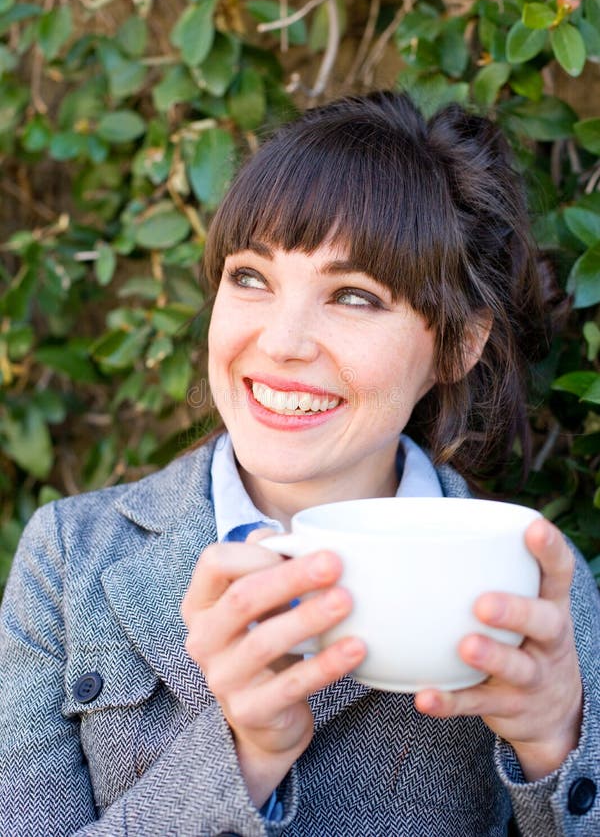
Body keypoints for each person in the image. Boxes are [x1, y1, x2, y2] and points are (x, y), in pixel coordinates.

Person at [0, 91, 598, 837]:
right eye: (251, 277)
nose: (281, 342)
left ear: (458, 346)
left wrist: (557, 748)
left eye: (353, 295)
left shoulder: (529, 584)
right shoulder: (69, 560)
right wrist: (241, 760)